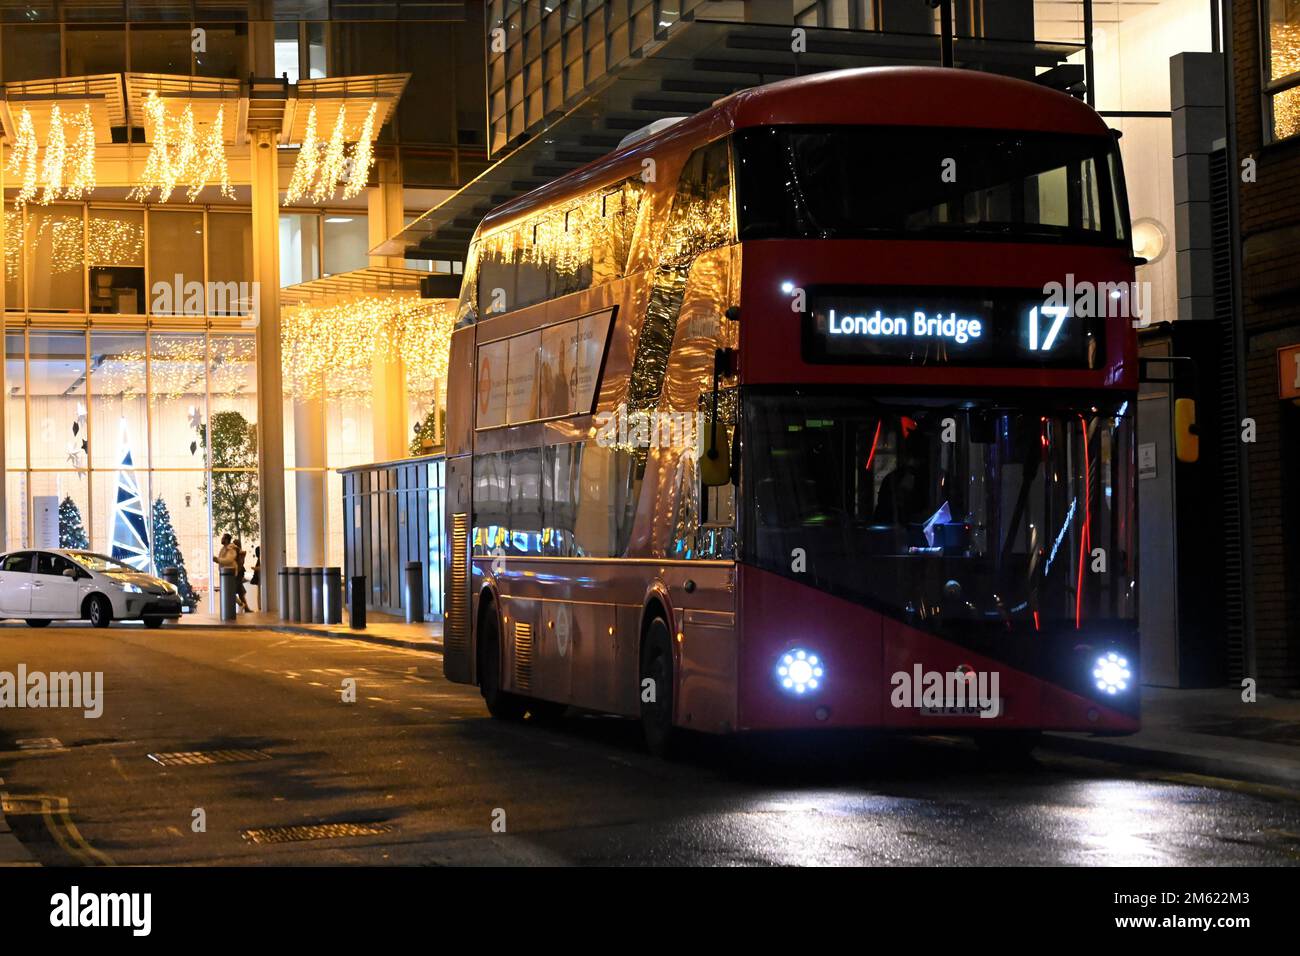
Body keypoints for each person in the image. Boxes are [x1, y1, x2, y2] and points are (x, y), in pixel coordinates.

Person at [232, 537, 251, 612]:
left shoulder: (239, 553)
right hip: (238, 574)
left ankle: (244, 607)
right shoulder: (237, 553)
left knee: (235, 592)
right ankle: (246, 608)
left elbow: (240, 563)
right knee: (240, 592)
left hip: (238, 574)